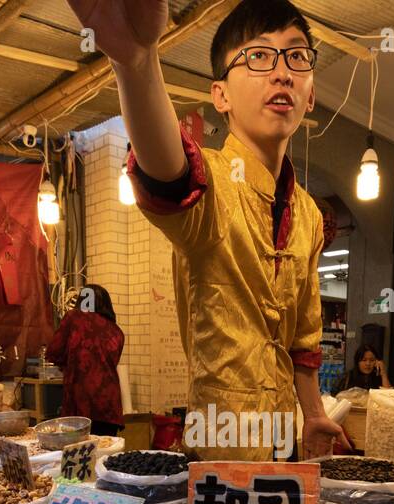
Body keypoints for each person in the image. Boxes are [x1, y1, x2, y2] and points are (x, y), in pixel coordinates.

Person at [73, 0, 348, 460]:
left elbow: (304, 339)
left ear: (311, 93)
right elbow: (168, 173)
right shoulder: (212, 182)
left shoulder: (309, 215)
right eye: (259, 57)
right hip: (218, 445)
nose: (282, 73)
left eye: (297, 57)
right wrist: (137, 64)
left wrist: (314, 413)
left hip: (285, 440)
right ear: (220, 95)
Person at [48, 284, 125, 436]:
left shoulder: (73, 318)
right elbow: (108, 364)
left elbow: (53, 352)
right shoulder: (117, 331)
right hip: (109, 405)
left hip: (80, 402)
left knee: (79, 453)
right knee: (105, 453)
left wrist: (68, 364)